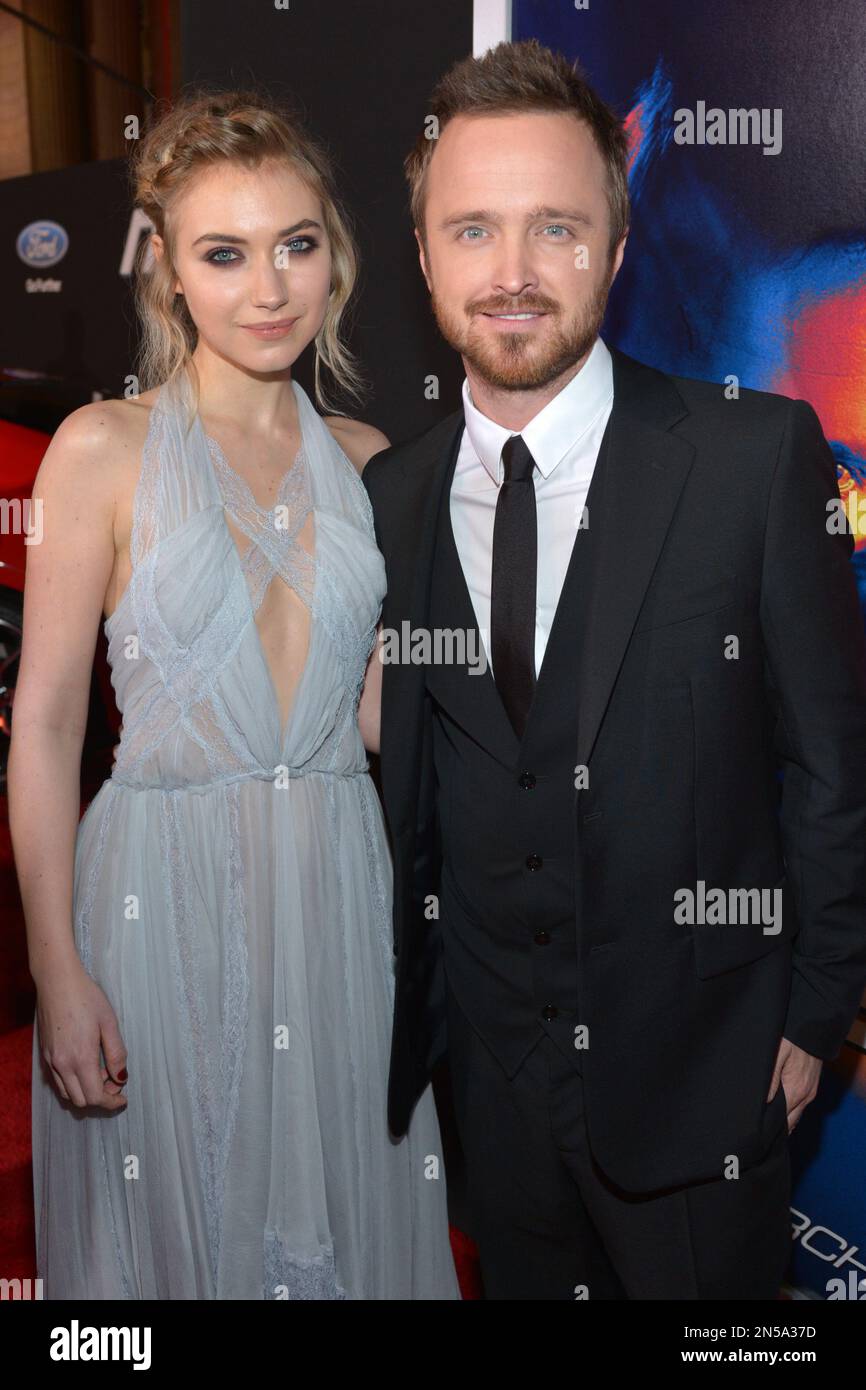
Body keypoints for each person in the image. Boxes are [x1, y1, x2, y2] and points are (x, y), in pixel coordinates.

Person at [361, 39, 866, 1299]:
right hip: (489, 1106)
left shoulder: (753, 460)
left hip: (709, 1093)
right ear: (422, 253)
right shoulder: (389, 496)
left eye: (556, 229)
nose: (514, 274)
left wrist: (813, 1020)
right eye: (471, 230)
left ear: (618, 247)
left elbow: (833, 762)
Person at [9, 88, 460, 1301]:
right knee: (169, 1249)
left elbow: (381, 719)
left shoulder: (371, 463)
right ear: (165, 269)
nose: (268, 288)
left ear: (337, 257)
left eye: (294, 246)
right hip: (156, 894)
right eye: (225, 253)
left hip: (336, 894)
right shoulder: (99, 448)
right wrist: (57, 967)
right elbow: (47, 727)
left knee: (338, 1235)